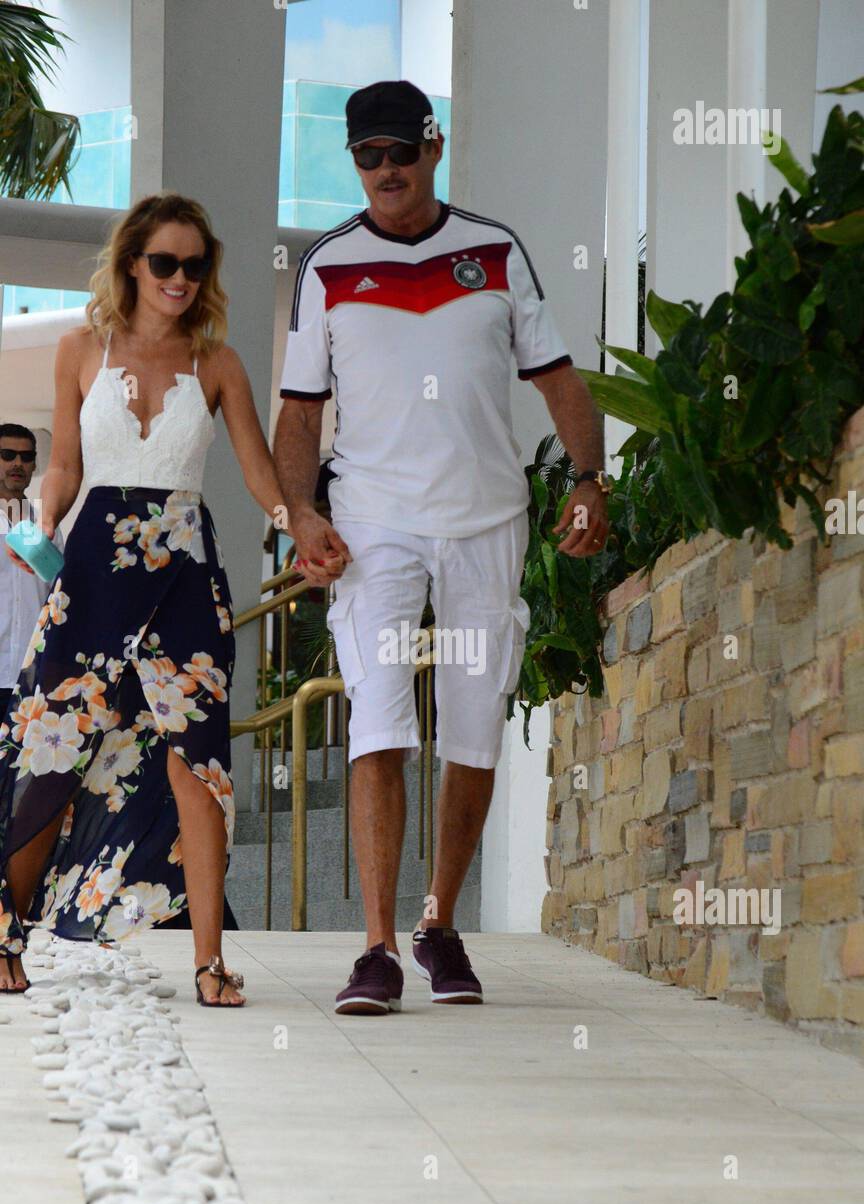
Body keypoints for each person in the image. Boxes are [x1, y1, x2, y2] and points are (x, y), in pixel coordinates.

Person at [275, 80, 609, 1016]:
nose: (386, 171)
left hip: (487, 518)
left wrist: (589, 481)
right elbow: (299, 413)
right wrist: (300, 512)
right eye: (367, 157)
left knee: (473, 721)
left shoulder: (494, 251)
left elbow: (557, 379)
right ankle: (376, 948)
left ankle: (437, 922)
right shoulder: (328, 264)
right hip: (375, 523)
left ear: (434, 146)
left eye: (400, 152)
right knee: (379, 718)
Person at [0, 193, 286, 1004]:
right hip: (94, 566)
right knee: (51, 749)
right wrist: (45, 517)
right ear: (132, 263)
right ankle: (6, 932)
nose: (181, 279)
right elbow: (65, 464)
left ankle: (207, 960)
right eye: (165, 262)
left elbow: (260, 471)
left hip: (189, 573)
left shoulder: (219, 362)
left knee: (199, 764)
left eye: (195, 266)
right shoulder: (79, 348)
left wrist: (297, 523)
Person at [0, 424, 65, 728]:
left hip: (33, 674)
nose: (17, 463)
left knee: (23, 773)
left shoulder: (47, 525)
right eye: (7, 454)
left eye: (26, 457)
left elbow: (59, 593)